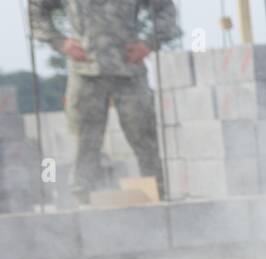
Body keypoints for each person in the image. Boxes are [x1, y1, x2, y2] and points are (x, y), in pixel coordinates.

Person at [30, 0, 180, 201]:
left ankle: (157, 194)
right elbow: (37, 8)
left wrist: (150, 42)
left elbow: (164, 7)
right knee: (84, 142)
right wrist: (59, 42)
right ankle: (82, 200)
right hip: (86, 69)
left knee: (145, 137)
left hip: (129, 69)